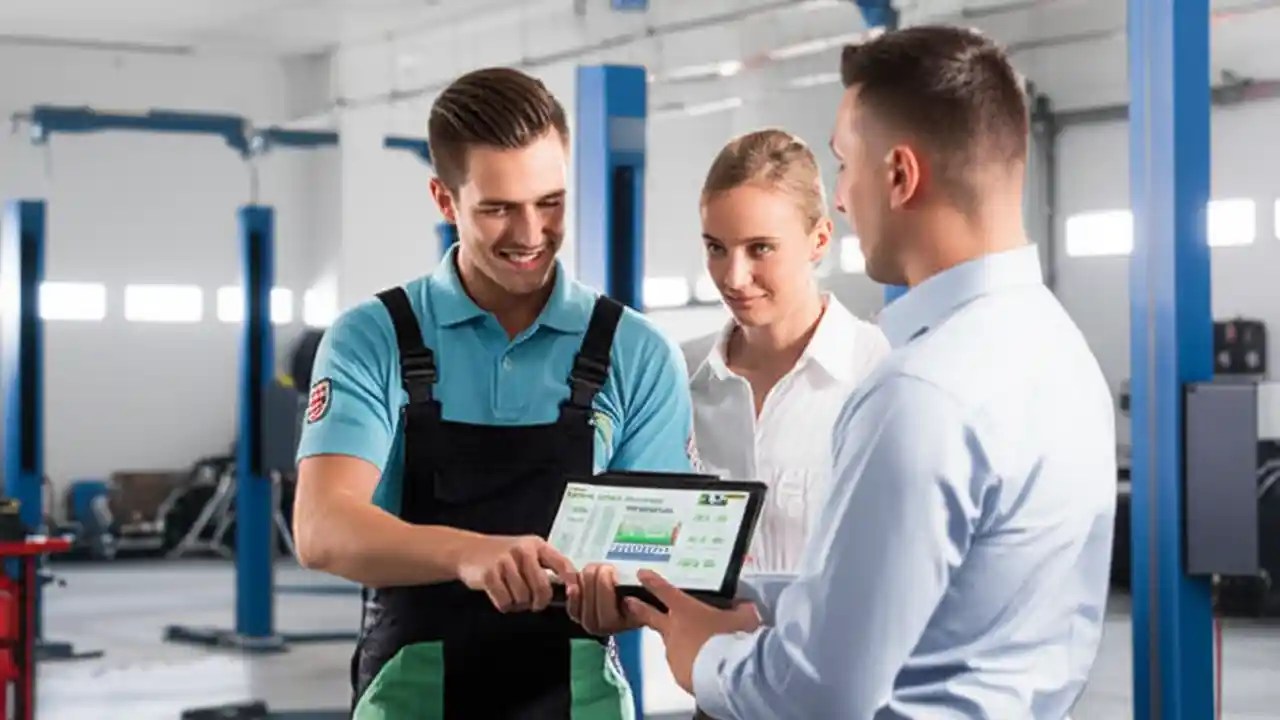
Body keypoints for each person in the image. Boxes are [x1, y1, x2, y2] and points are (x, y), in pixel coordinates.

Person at [622, 25, 1118, 719]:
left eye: (845, 165)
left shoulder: (917, 392)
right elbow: (938, 596)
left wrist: (701, 655)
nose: (845, 199)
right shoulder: (1057, 350)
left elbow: (821, 693)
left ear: (899, 175)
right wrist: (754, 597)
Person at [291, 67, 696, 719]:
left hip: (581, 699)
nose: (531, 234)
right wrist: (471, 553)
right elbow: (320, 527)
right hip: (410, 699)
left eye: (551, 203)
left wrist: (625, 593)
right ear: (444, 199)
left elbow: (656, 555)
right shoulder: (374, 338)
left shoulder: (636, 352)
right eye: (498, 208)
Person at [683, 128, 889, 575]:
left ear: (819, 241)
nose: (734, 277)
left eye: (761, 249)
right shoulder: (678, 378)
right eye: (716, 248)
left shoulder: (878, 374)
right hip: (701, 646)